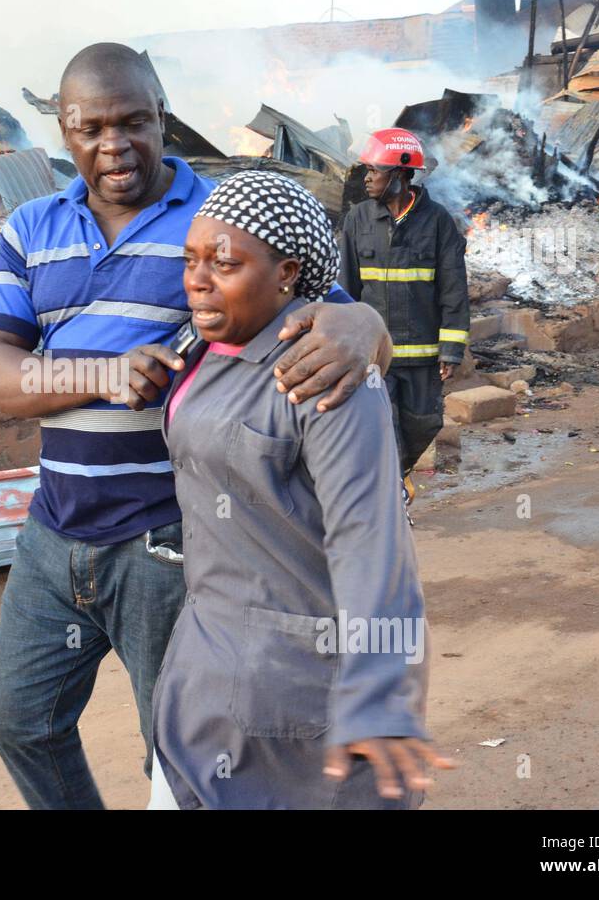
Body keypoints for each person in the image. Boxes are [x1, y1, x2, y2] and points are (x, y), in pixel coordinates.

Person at [0, 42, 393, 809]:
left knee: (177, 750)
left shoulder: (219, 222)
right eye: (90, 127)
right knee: (17, 717)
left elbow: (323, 307)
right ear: (62, 131)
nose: (113, 144)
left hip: (167, 541)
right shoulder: (30, 229)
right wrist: (101, 374)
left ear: (163, 117)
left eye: (133, 121)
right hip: (53, 532)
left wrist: (366, 325)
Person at [151, 169, 451, 809]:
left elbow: (369, 539)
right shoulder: (200, 347)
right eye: (191, 260)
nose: (197, 279)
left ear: (287, 271)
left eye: (223, 264)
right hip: (202, 682)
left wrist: (379, 693)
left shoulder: (329, 376)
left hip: (295, 695)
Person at [338, 128, 469, 506]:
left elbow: (453, 289)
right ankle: (388, 494)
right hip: (375, 356)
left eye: (374, 170)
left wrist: (451, 349)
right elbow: (345, 288)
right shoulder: (358, 219)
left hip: (423, 354)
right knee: (378, 426)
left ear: (399, 174)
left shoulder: (438, 222)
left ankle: (399, 473)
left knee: (424, 422)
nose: (366, 178)